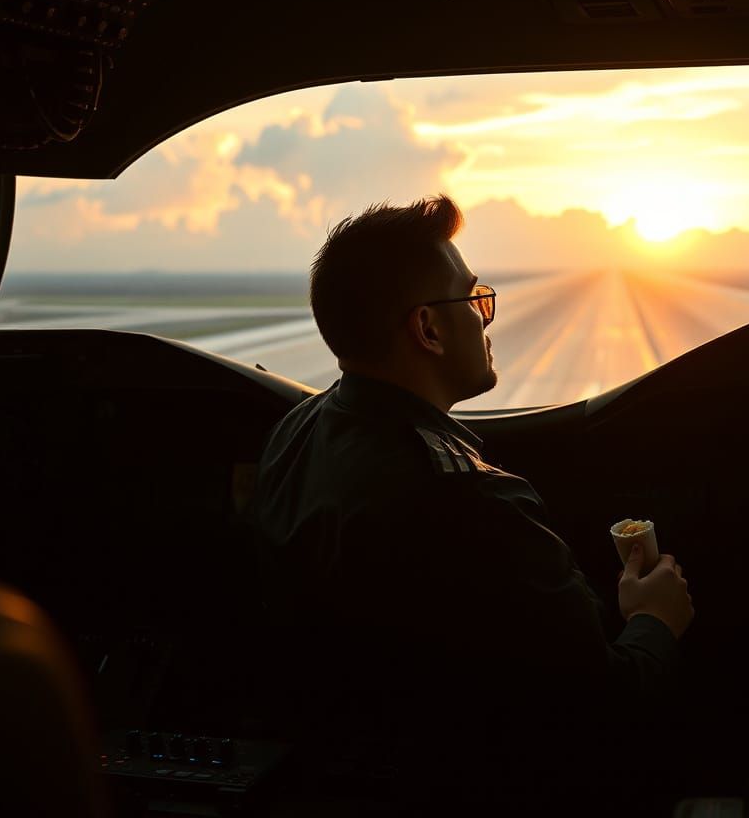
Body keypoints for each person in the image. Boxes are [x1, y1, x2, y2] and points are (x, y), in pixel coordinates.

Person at [245, 195, 694, 812]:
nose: (486, 318)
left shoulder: (292, 434)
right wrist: (655, 620)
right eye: (474, 299)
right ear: (428, 328)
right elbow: (605, 714)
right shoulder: (474, 503)